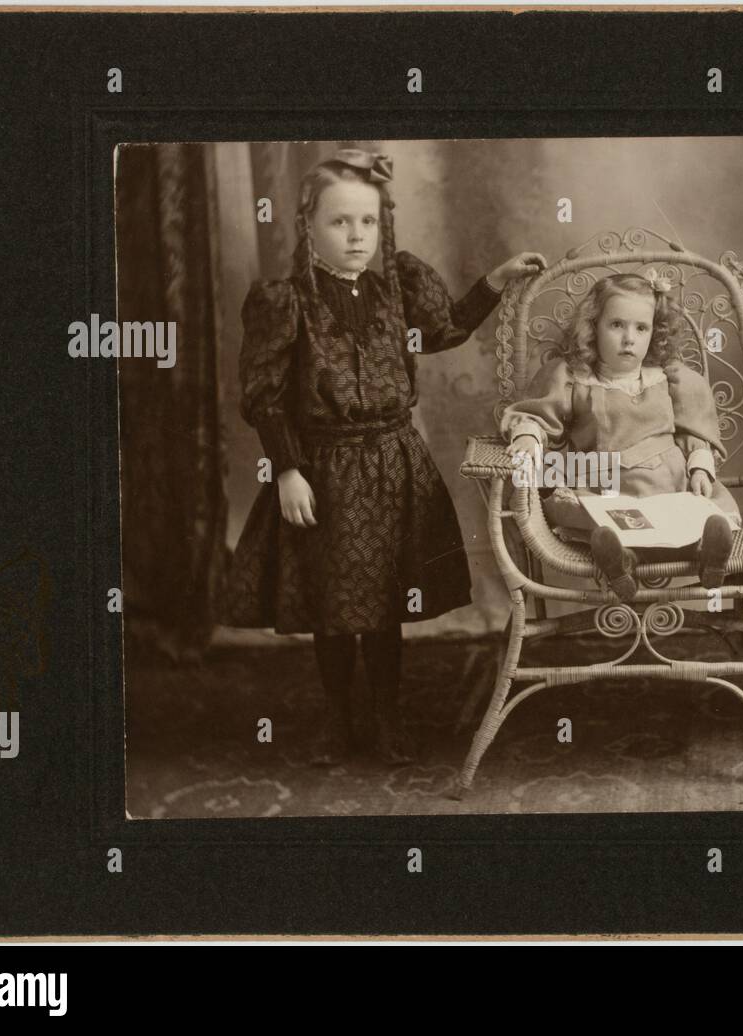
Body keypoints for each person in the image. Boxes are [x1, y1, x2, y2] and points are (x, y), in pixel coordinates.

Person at [225, 147, 545, 764]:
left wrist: (494, 283)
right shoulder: (284, 301)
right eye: (340, 221)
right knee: (336, 606)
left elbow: (445, 329)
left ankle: (387, 717)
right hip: (325, 468)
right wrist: (287, 468)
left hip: (394, 461)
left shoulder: (398, 288)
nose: (355, 235)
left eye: (367, 222)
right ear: (309, 225)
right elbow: (264, 396)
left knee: (385, 604)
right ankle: (342, 719)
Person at [502, 272, 739, 601]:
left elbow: (692, 431)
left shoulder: (669, 379)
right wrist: (529, 434)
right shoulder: (575, 378)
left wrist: (699, 466)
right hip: (603, 481)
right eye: (616, 325)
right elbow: (540, 413)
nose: (629, 338)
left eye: (640, 328)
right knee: (605, 517)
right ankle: (621, 561)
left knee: (687, 512)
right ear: (593, 327)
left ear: (654, 333)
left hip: (665, 482)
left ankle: (707, 555)